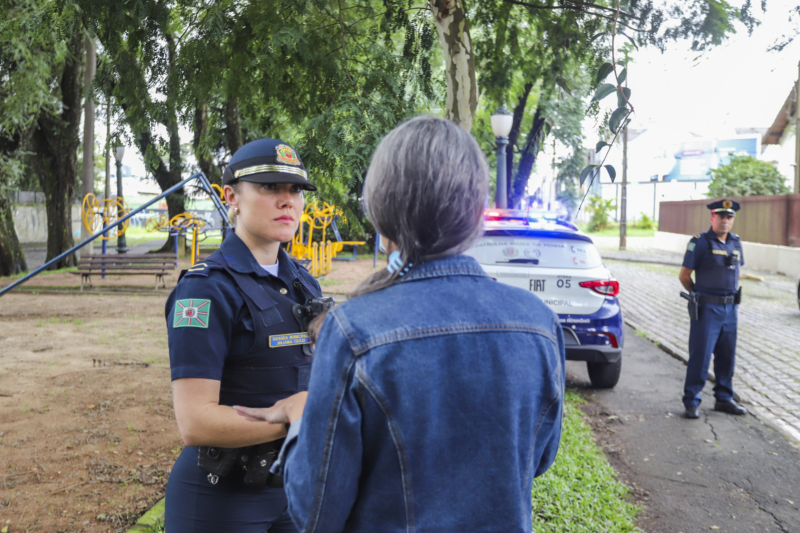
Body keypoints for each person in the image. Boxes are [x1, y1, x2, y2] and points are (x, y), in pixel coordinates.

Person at [234, 116, 566, 532]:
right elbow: (539, 458)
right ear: (474, 209)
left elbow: (315, 512)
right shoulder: (538, 322)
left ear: (382, 207)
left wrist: (301, 418)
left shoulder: (353, 331)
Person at [164, 138, 322, 532]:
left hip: (293, 487)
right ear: (231, 196)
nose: (287, 201)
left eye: (296, 189)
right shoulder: (205, 290)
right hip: (219, 500)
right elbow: (195, 422)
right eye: (269, 187)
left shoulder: (306, 285)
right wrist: (296, 418)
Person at [678, 199, 747, 419]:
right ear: (712, 218)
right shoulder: (699, 242)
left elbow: (736, 271)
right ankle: (691, 401)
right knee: (701, 355)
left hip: (730, 309)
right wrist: (697, 294)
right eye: (721, 217)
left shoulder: (735, 242)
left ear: (732, 220)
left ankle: (724, 398)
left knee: (727, 355)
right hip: (707, 308)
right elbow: (684, 276)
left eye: (729, 217)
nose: (725, 221)